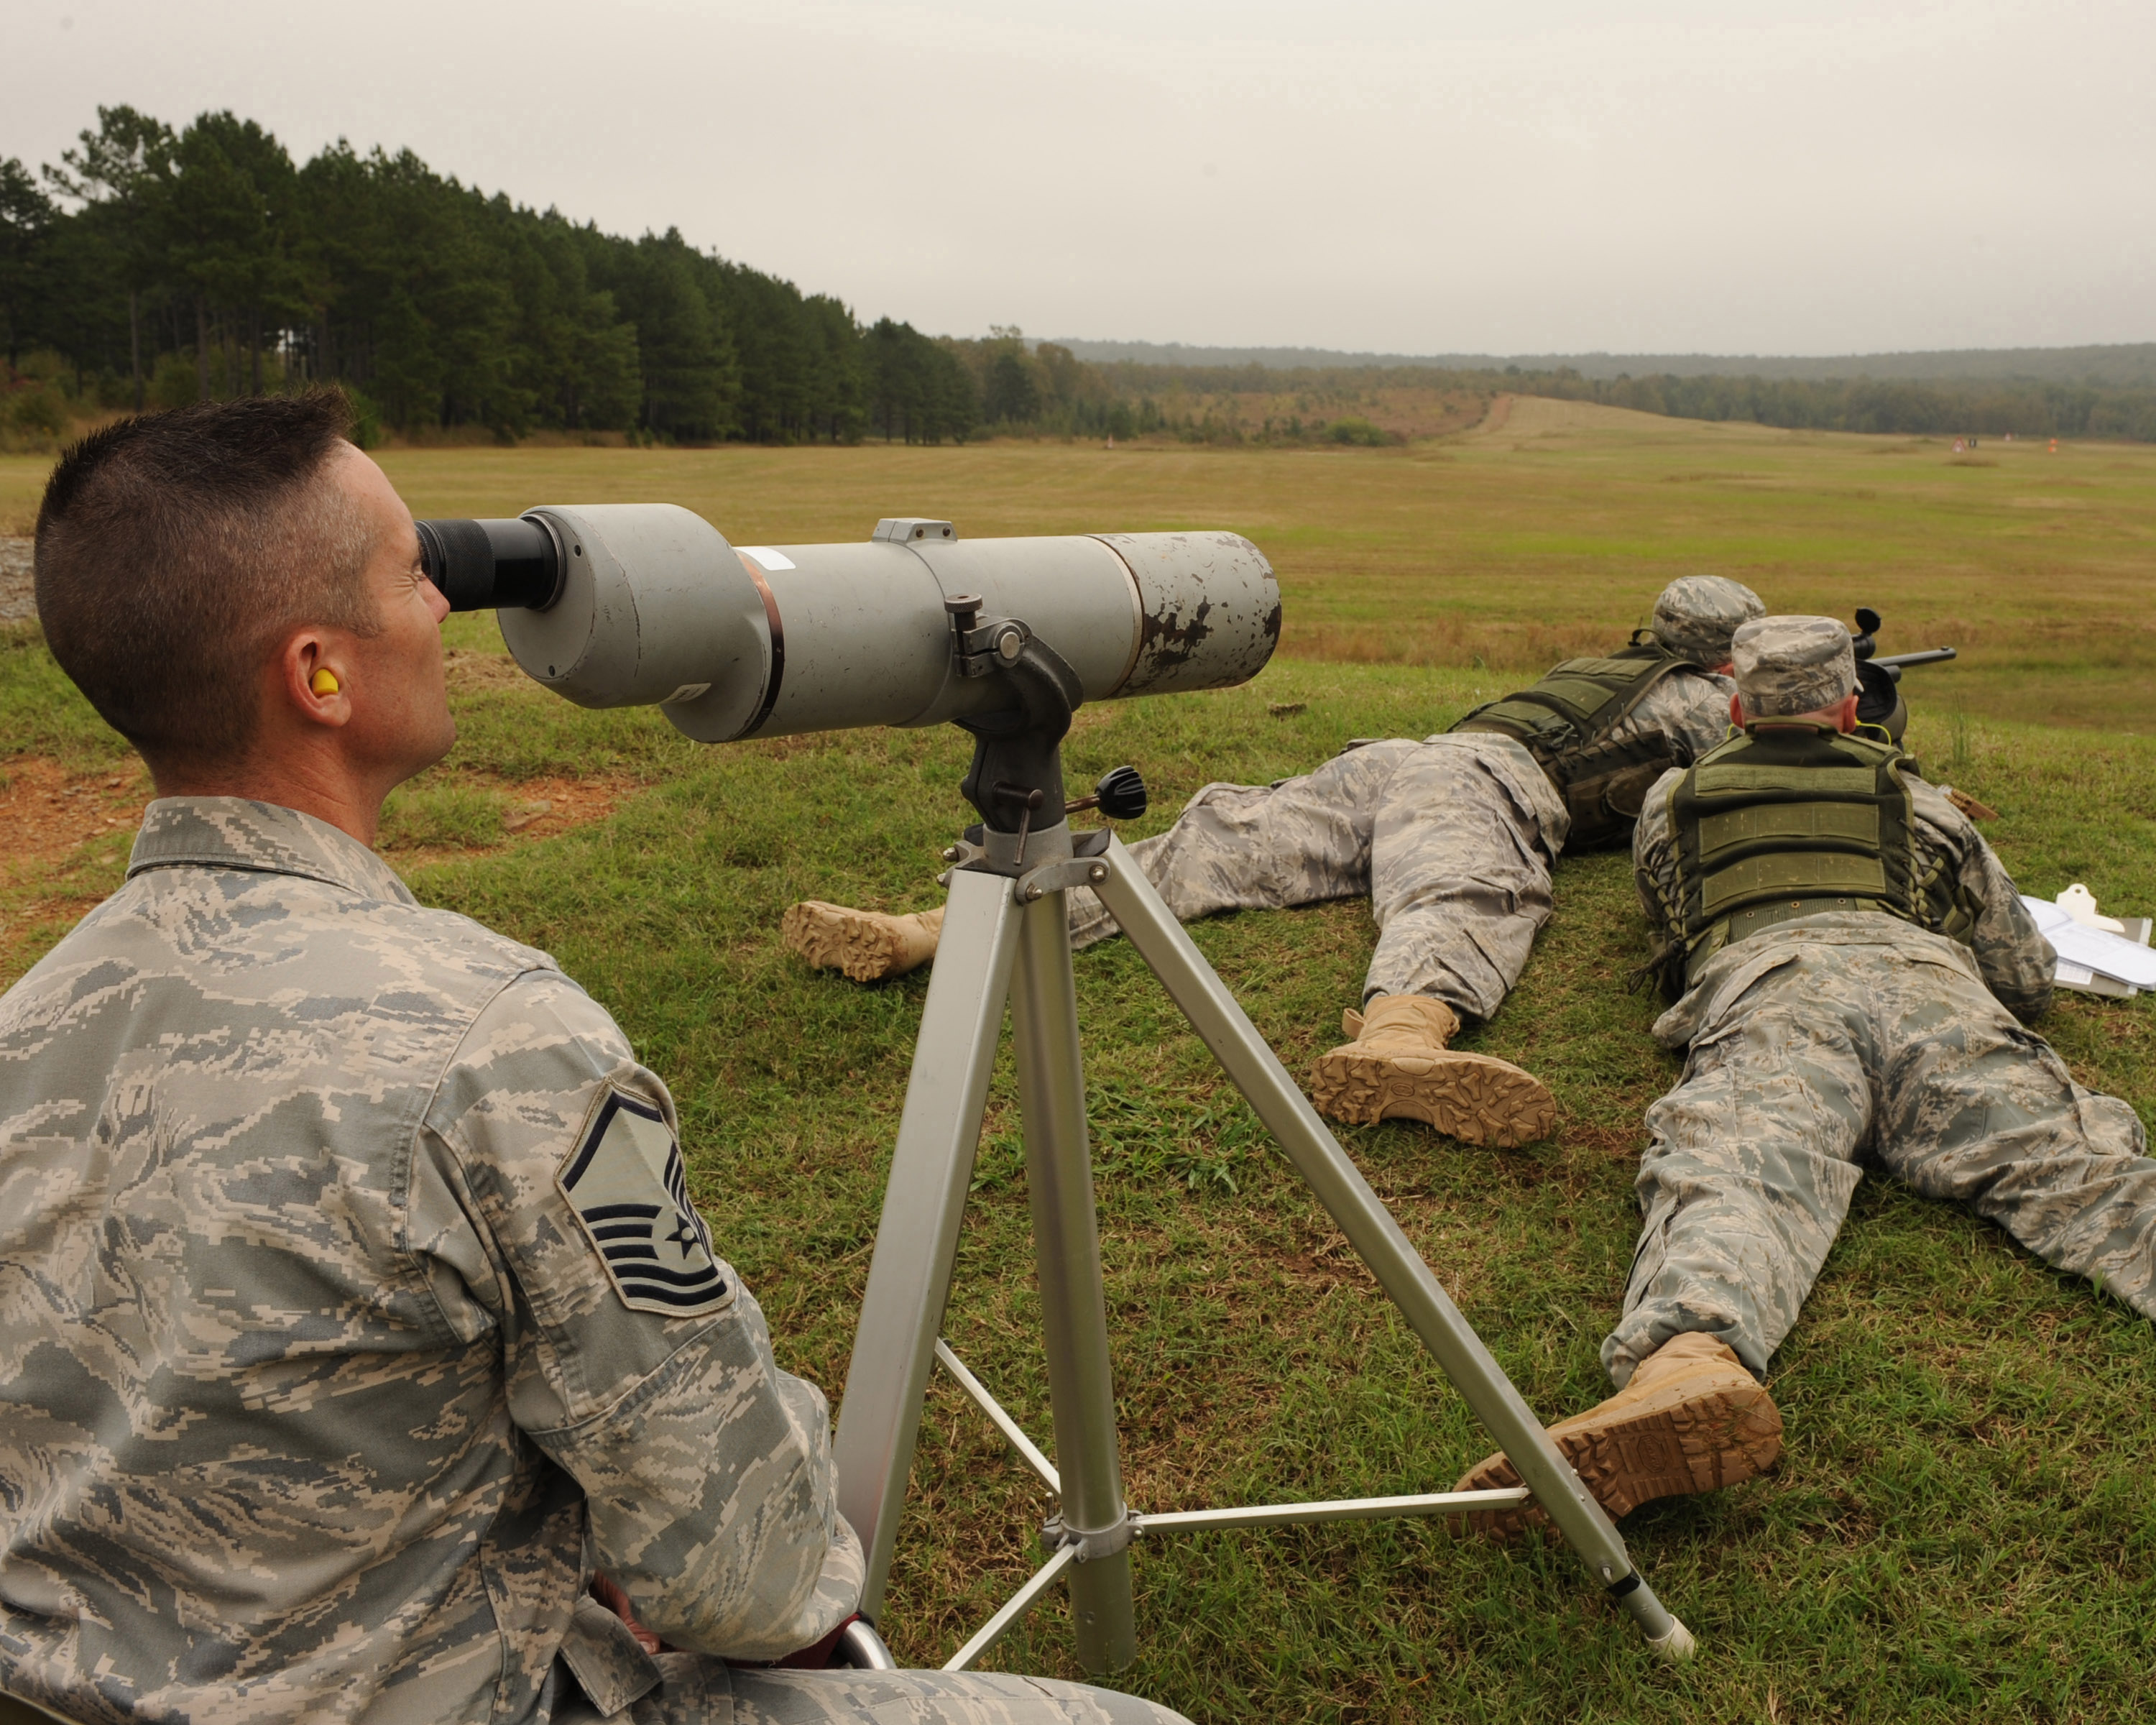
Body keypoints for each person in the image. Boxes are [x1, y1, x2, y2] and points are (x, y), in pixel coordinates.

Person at [0, 396, 1188, 1725]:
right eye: (413, 573)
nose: (444, 607)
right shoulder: (483, 1040)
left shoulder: (26, 1026)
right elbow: (750, 1575)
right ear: (320, 673)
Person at [1455, 615, 2156, 1530]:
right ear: (1852, 704)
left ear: (1738, 706)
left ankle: (1689, 1362)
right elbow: (2024, 977)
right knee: (2071, 1163)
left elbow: (1669, 926)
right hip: (1924, 985)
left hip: (1772, 984)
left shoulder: (1675, 798)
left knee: (1738, 1167)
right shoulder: (1924, 803)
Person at [785, 576, 1765, 1147]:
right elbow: (1769, 752)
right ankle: (1402, 1039)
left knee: (1221, 842)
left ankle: (928, 933)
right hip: (1478, 776)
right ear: (1731, 654)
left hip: (1407, 756)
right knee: (1465, 883)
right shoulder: (1702, 702)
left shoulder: (1606, 669)